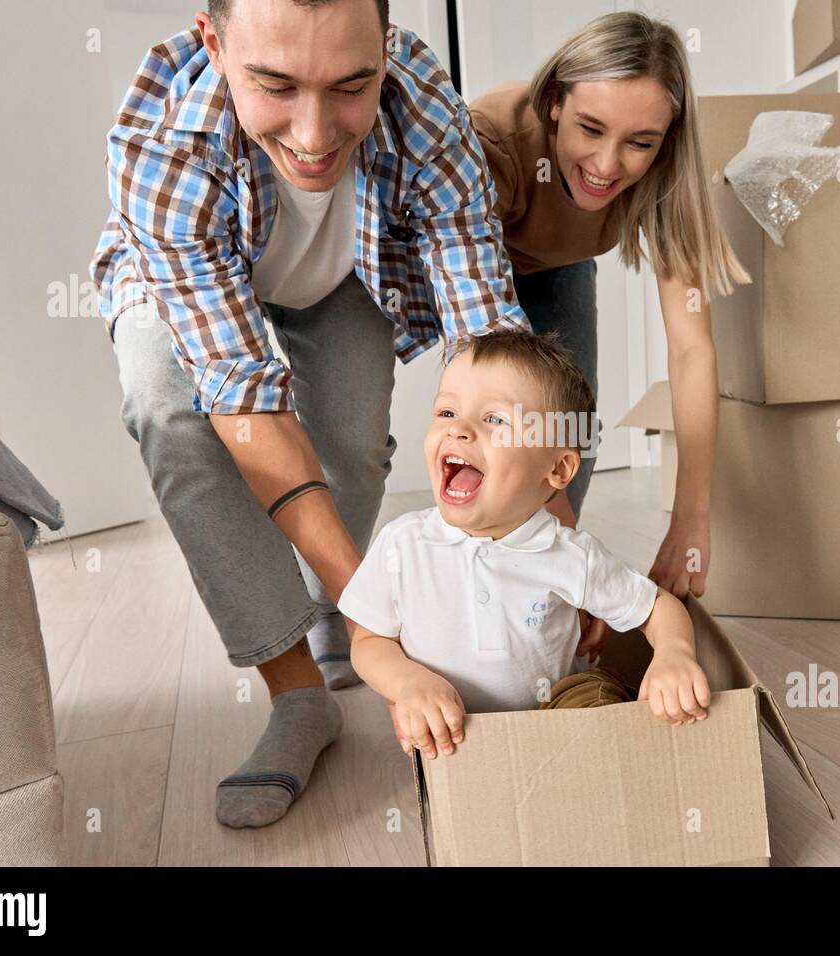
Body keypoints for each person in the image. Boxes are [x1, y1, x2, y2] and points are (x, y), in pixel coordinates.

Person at [90, 0, 527, 828]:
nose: (316, 132)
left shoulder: (424, 106)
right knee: (168, 407)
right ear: (216, 45)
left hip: (349, 271)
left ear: (385, 49)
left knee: (354, 446)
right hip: (193, 273)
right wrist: (385, 620)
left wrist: (544, 543)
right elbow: (244, 394)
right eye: (276, 86)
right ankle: (300, 696)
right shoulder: (164, 141)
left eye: (351, 86)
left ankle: (337, 621)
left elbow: (489, 344)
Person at [470, 11, 750, 608]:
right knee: (499, 434)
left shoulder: (667, 176)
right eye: (590, 129)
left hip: (556, 263)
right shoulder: (494, 139)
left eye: (639, 143)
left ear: (666, 139)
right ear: (553, 103)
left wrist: (691, 520)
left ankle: (538, 600)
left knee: (572, 435)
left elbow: (692, 348)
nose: (606, 165)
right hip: (454, 264)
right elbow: (483, 349)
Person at [341, 331, 711, 760]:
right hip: (457, 728)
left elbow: (657, 607)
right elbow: (368, 642)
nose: (458, 429)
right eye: (446, 411)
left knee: (596, 702)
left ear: (557, 469)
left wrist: (673, 655)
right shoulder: (402, 546)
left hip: (553, 713)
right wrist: (408, 682)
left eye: (495, 419)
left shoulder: (569, 554)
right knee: (428, 723)